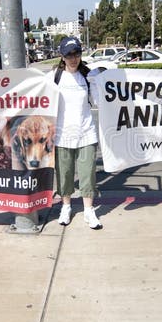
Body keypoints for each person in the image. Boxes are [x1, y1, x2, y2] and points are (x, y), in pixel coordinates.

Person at [47, 37, 102, 229]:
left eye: (77, 53)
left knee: (88, 174)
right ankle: (66, 206)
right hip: (62, 135)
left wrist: (97, 83)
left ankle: (88, 210)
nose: (73, 58)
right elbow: (40, 98)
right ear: (62, 56)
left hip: (86, 133)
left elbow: (98, 102)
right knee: (64, 173)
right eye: (69, 54)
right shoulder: (55, 76)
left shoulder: (87, 75)